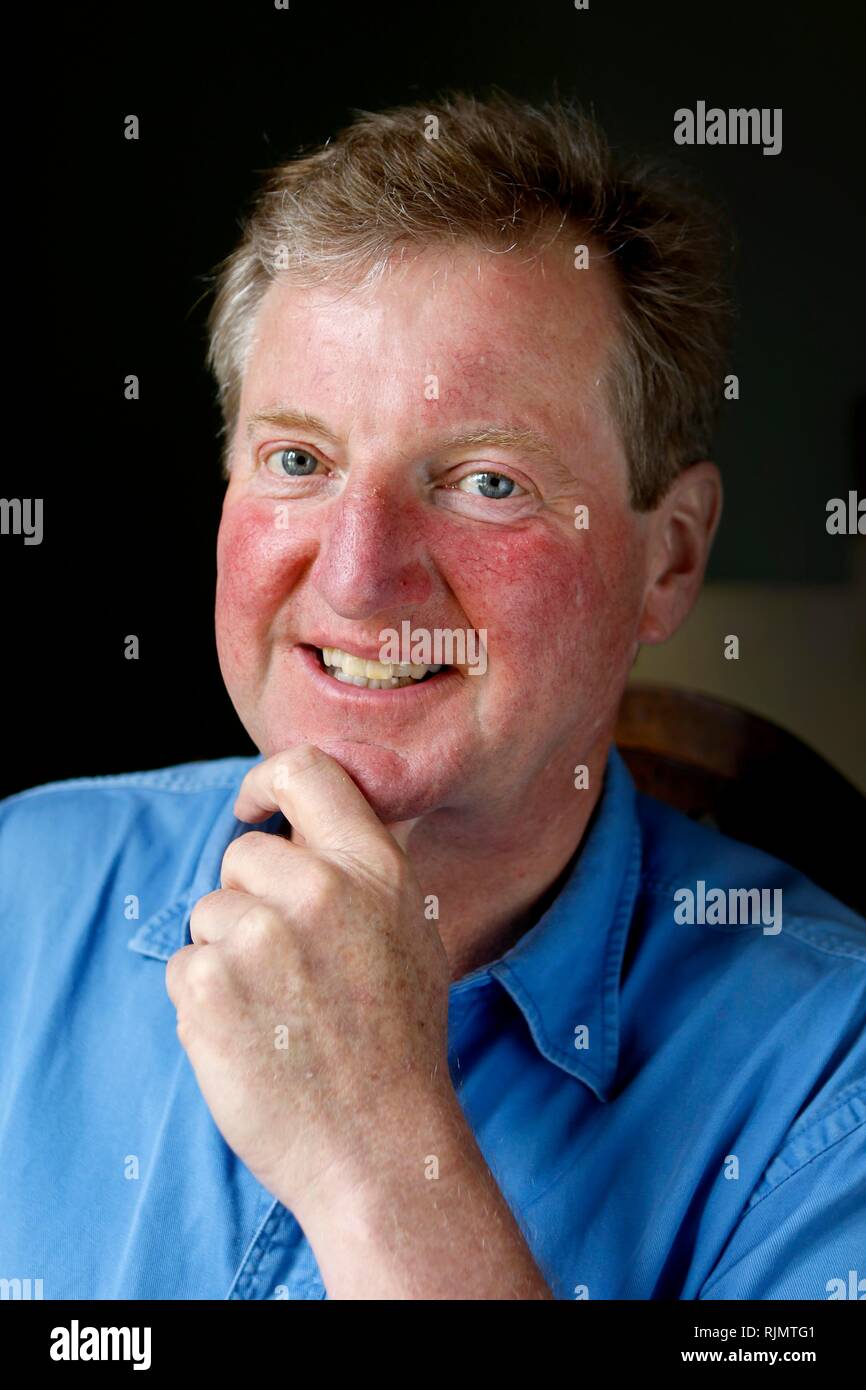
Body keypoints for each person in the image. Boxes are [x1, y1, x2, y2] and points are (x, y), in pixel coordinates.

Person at [1, 91, 863, 1302]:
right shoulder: (19, 891)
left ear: (666, 557)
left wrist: (380, 1162)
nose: (355, 575)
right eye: (296, 460)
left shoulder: (834, 1082)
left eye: (482, 481)